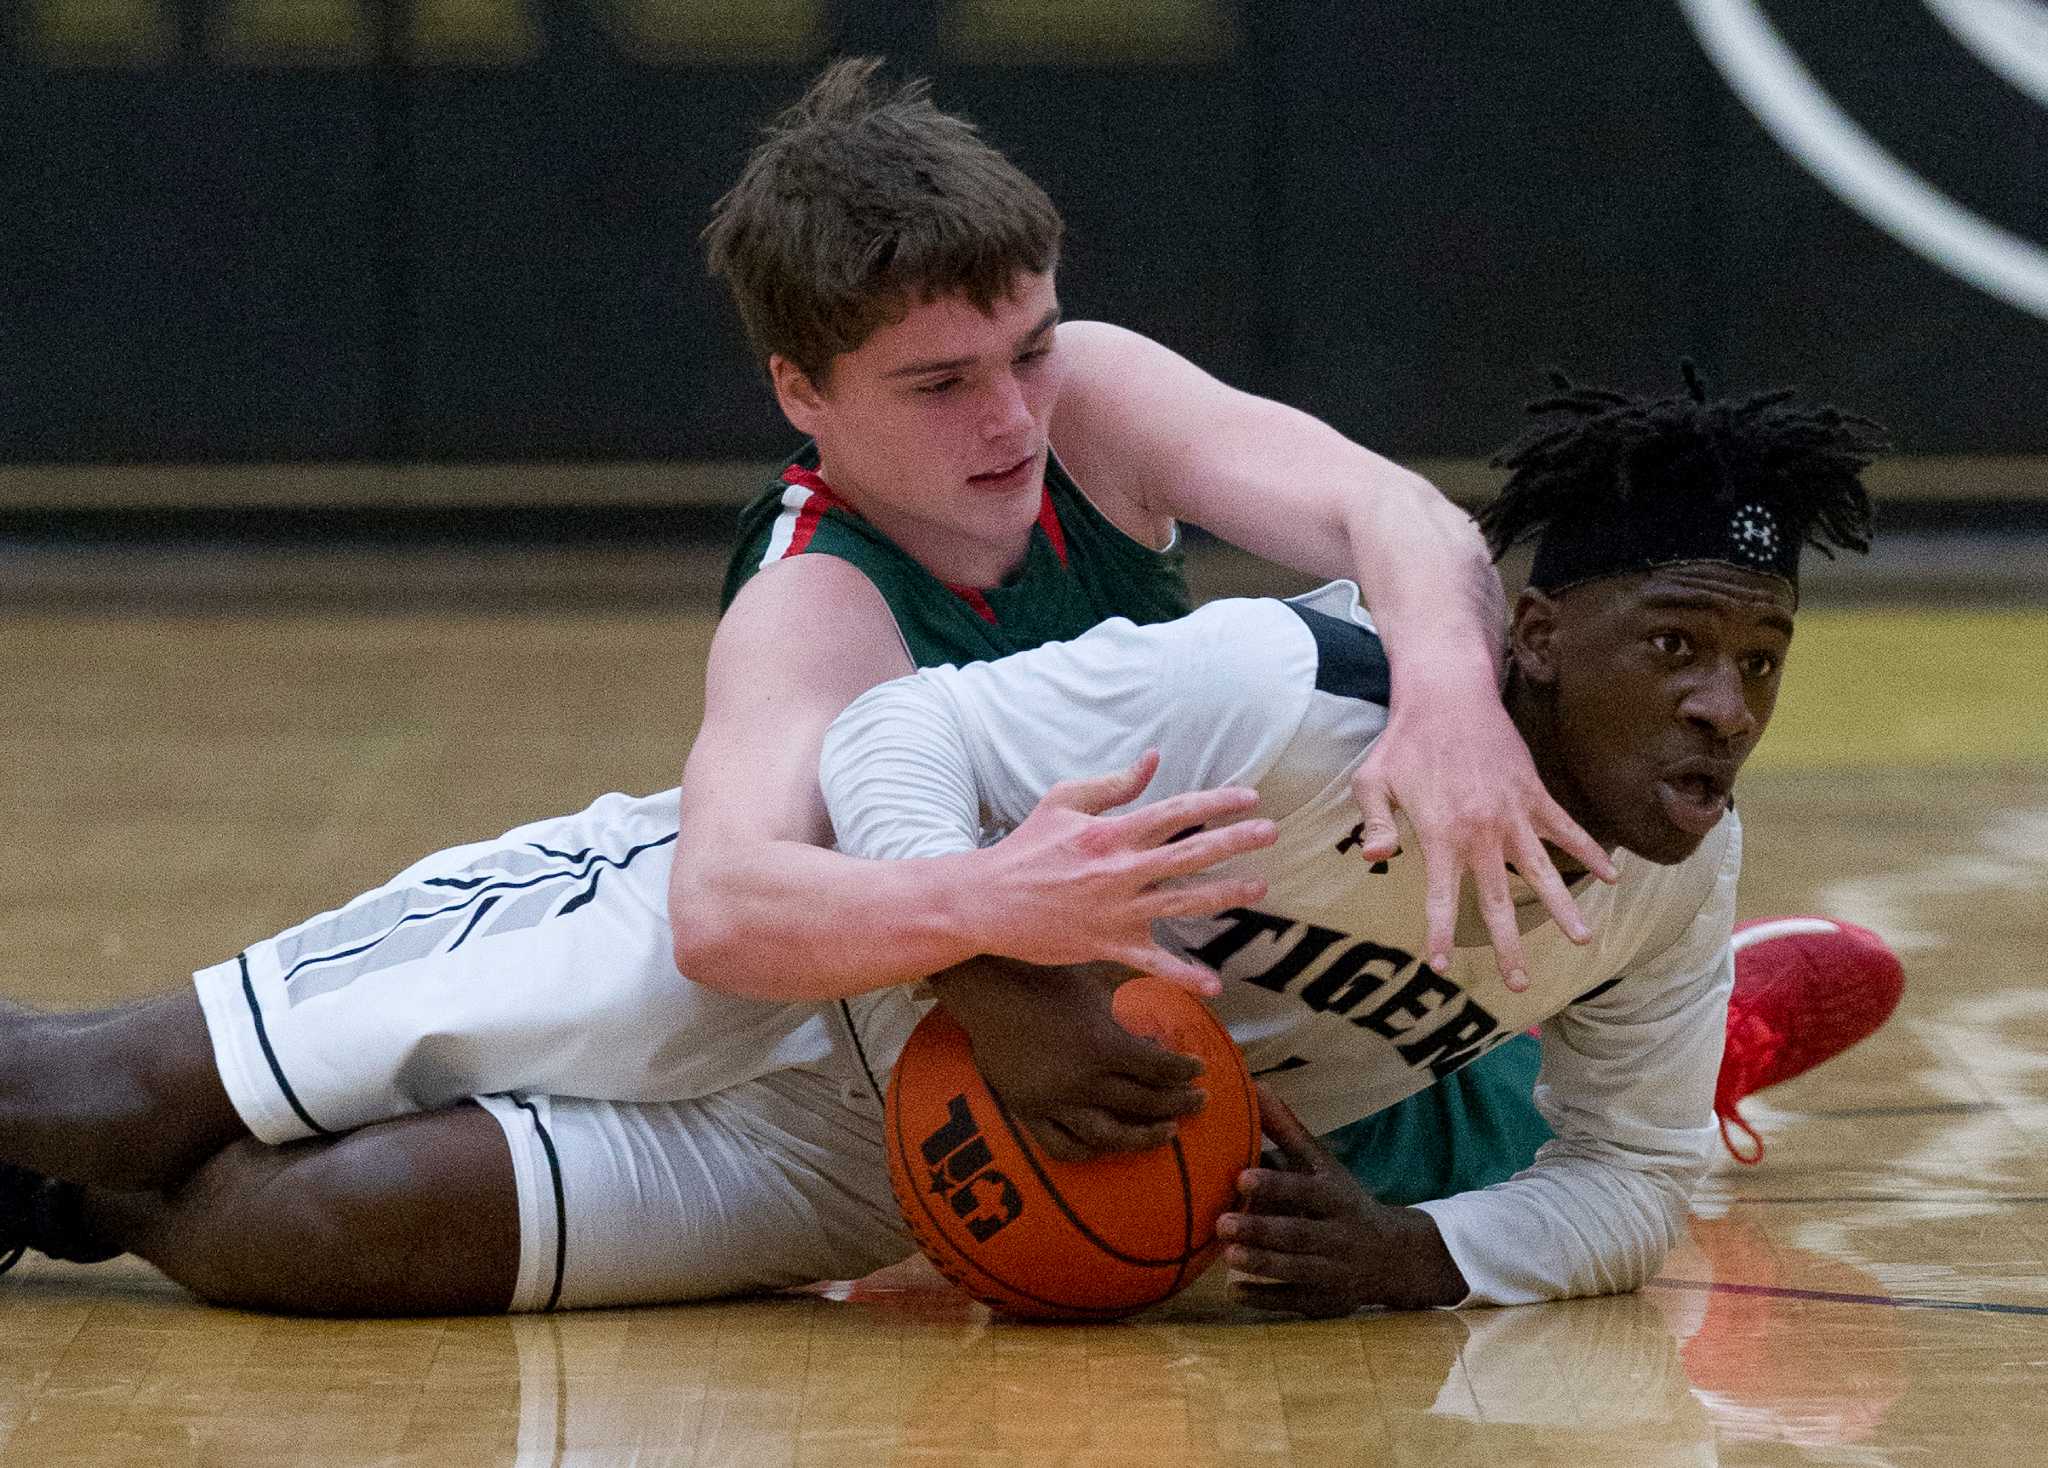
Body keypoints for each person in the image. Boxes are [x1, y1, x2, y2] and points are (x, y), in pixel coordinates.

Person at [0, 51, 1606, 1316]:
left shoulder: (1102, 401)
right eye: (941, 383)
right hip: (807, 1000)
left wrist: (1447, 696)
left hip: (1179, 1007)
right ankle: (56, 1165)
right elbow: (730, 909)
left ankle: (59, 1200)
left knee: (1490, 1054)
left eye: (1028, 350)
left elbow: (1389, 511)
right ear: (802, 390)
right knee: (101, 1086)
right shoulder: (814, 600)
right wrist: (994, 914)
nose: (1012, 421)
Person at [0, 368, 1882, 1314]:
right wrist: (997, 965)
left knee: (300, 1235)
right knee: (102, 1081)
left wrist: (1423, 1256)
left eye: (1765, 663)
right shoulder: (1278, 682)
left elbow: (1635, 1177)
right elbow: (892, 734)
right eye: (1679, 649)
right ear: (1536, 639)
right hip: (769, 930)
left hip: (888, 1155)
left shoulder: (1669, 883)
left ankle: (68, 1204)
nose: (1726, 708)